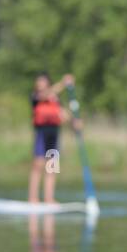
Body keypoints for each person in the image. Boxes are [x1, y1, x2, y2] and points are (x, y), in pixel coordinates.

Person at [28, 72, 76, 204]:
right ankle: (33, 198)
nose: (40, 86)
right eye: (38, 83)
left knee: (52, 167)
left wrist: (75, 121)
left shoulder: (55, 100)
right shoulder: (36, 96)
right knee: (38, 165)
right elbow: (45, 95)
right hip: (41, 133)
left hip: (53, 134)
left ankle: (49, 198)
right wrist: (64, 83)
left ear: (47, 83)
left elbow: (64, 114)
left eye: (43, 83)